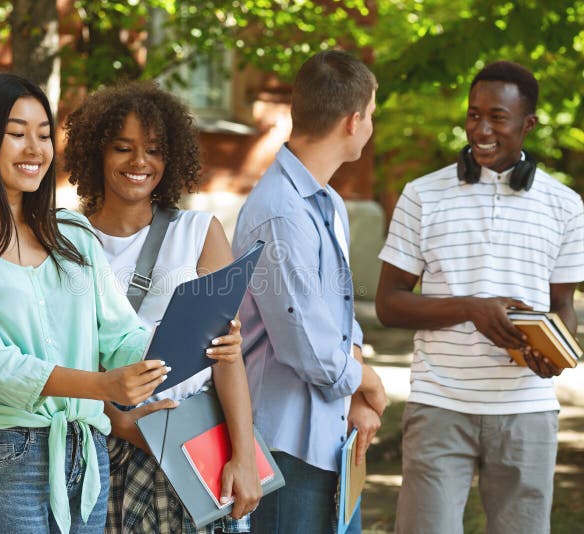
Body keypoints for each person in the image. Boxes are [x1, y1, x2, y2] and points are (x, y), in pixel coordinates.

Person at [0, 73, 176, 534]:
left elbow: (121, 336)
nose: (35, 149)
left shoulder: (73, 234)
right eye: (16, 134)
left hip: (87, 447)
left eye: (43, 134)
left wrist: (186, 338)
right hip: (6, 451)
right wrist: (103, 387)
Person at [376, 61, 584, 534]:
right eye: (474, 116)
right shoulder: (420, 194)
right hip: (439, 404)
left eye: (497, 117)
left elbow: (564, 307)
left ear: (528, 124)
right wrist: (472, 308)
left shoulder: (565, 204)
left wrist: (559, 351)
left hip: (527, 411)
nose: (482, 129)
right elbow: (389, 303)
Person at [64, 80, 261, 534]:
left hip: (195, 438)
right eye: (123, 148)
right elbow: (61, 350)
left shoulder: (200, 231)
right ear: (97, 153)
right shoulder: (66, 238)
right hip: (103, 441)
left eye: (154, 149)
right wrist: (124, 424)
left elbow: (227, 356)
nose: (140, 162)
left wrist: (244, 454)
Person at [231, 49, 388, 534]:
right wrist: (369, 382)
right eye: (372, 117)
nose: (371, 128)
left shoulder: (327, 202)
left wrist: (357, 396)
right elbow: (311, 350)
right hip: (285, 448)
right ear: (353, 121)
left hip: (329, 436)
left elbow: (340, 317)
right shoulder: (281, 212)